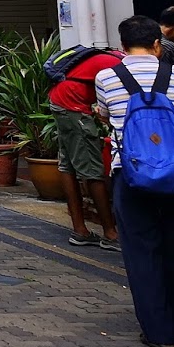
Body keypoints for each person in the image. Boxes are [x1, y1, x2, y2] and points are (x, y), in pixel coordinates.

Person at [94, 15, 174, 347]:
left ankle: (158, 332)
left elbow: (108, 116)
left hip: (132, 174)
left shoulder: (107, 76)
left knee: (142, 252)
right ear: (157, 43)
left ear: (122, 47)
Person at [47, 42, 121, 249]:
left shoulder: (110, 56)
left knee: (69, 164)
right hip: (74, 106)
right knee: (92, 168)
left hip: (62, 101)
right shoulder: (121, 66)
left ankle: (80, 230)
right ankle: (110, 233)